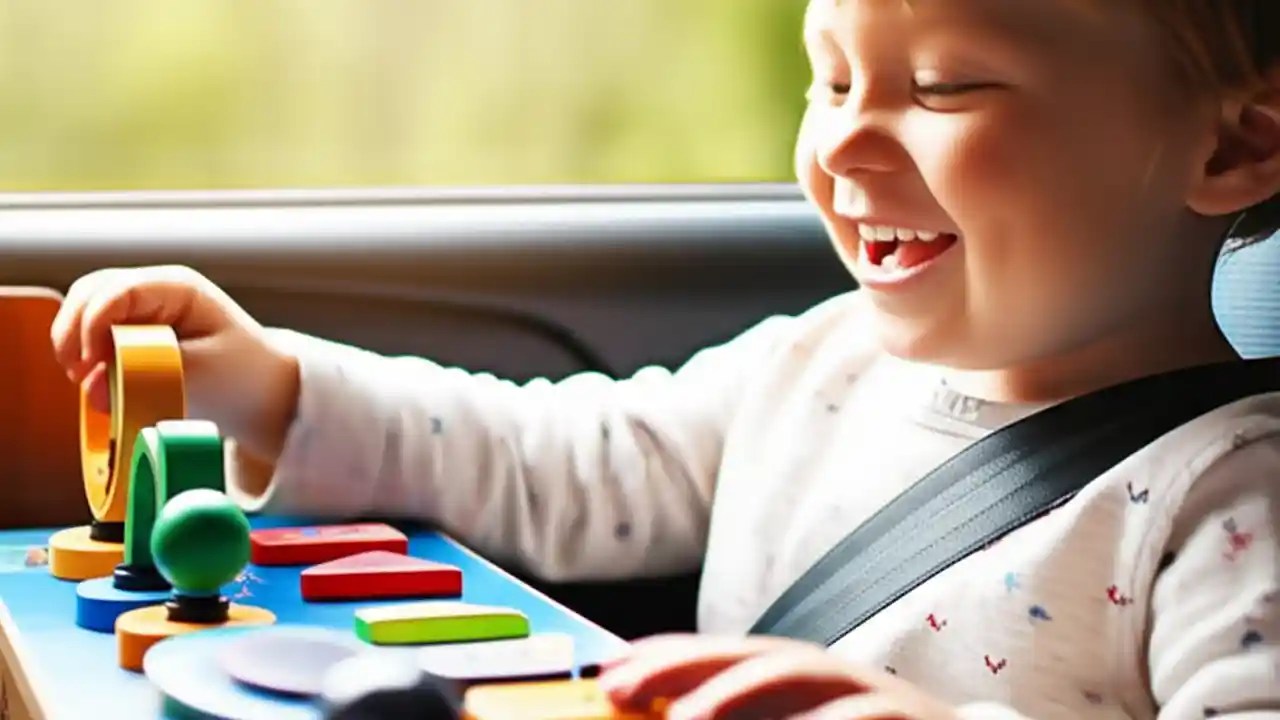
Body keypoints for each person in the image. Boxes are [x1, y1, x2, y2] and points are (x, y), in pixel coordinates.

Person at [49, 1, 1280, 718]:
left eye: (944, 89)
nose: (844, 141)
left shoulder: (1230, 499)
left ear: (1233, 144)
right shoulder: (814, 363)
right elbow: (553, 463)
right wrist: (273, 387)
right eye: (827, 76)